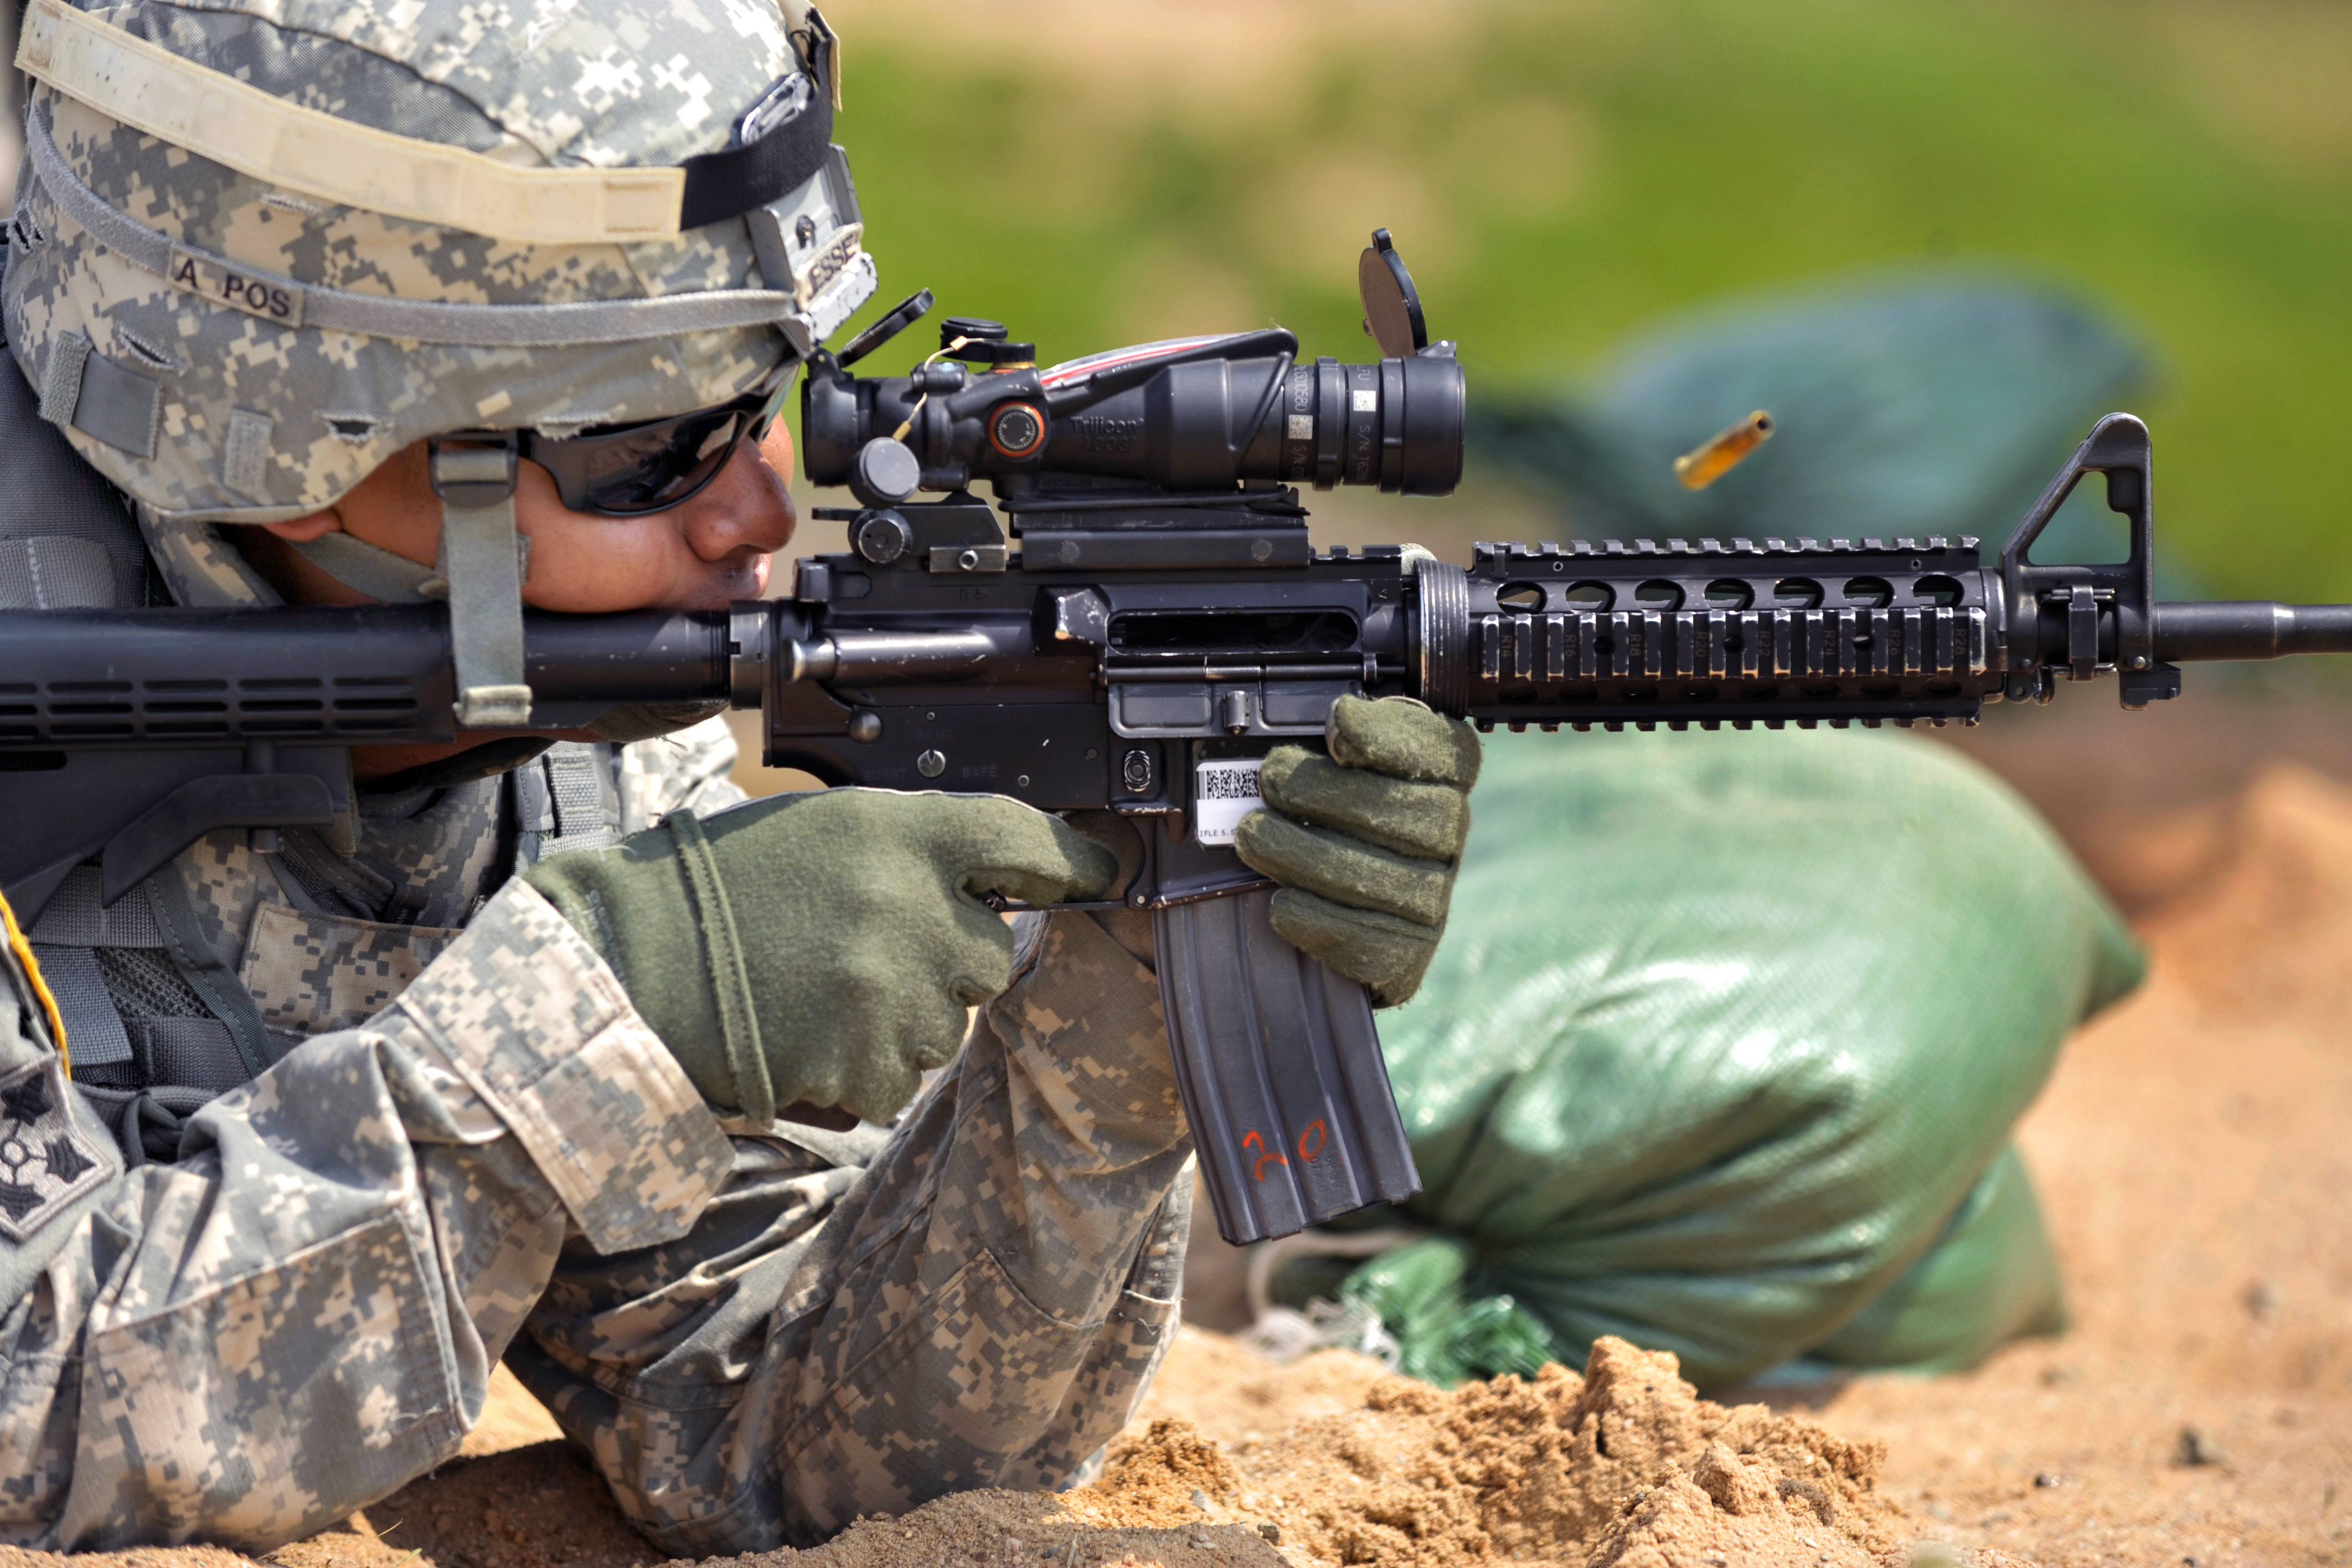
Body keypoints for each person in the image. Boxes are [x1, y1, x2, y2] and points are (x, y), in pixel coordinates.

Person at [0, 0, 1481, 1551]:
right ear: (282, 450)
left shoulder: (558, 728)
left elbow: (791, 1444)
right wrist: (593, 1021)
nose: (760, 514)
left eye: (772, 395)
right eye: (651, 455)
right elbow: (34, 1421)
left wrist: (1128, 989)